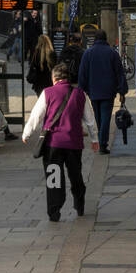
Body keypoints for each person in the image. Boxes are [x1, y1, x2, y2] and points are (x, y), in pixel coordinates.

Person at [22, 61, 97, 220]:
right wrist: (94, 139)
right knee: (75, 175)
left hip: (53, 145)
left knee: (54, 178)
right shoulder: (80, 94)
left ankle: (54, 211)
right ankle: (79, 204)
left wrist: (26, 133)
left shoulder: (48, 93)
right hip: (74, 144)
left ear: (54, 78)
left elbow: (36, 115)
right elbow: (90, 119)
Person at [77, 29, 127, 154]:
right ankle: (103, 144)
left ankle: (101, 139)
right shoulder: (112, 53)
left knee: (98, 117)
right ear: (105, 39)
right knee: (105, 117)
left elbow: (82, 74)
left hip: (93, 91)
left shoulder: (88, 53)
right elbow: (120, 73)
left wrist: (82, 90)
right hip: (108, 91)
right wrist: (122, 91)